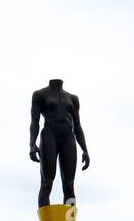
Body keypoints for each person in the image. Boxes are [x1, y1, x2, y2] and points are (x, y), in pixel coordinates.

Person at [30, 79, 90, 208]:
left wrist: (85, 149)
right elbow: (35, 122)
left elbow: (78, 127)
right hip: (49, 136)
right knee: (47, 182)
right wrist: (32, 144)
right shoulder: (40, 95)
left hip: (68, 138)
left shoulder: (73, 98)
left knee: (69, 185)